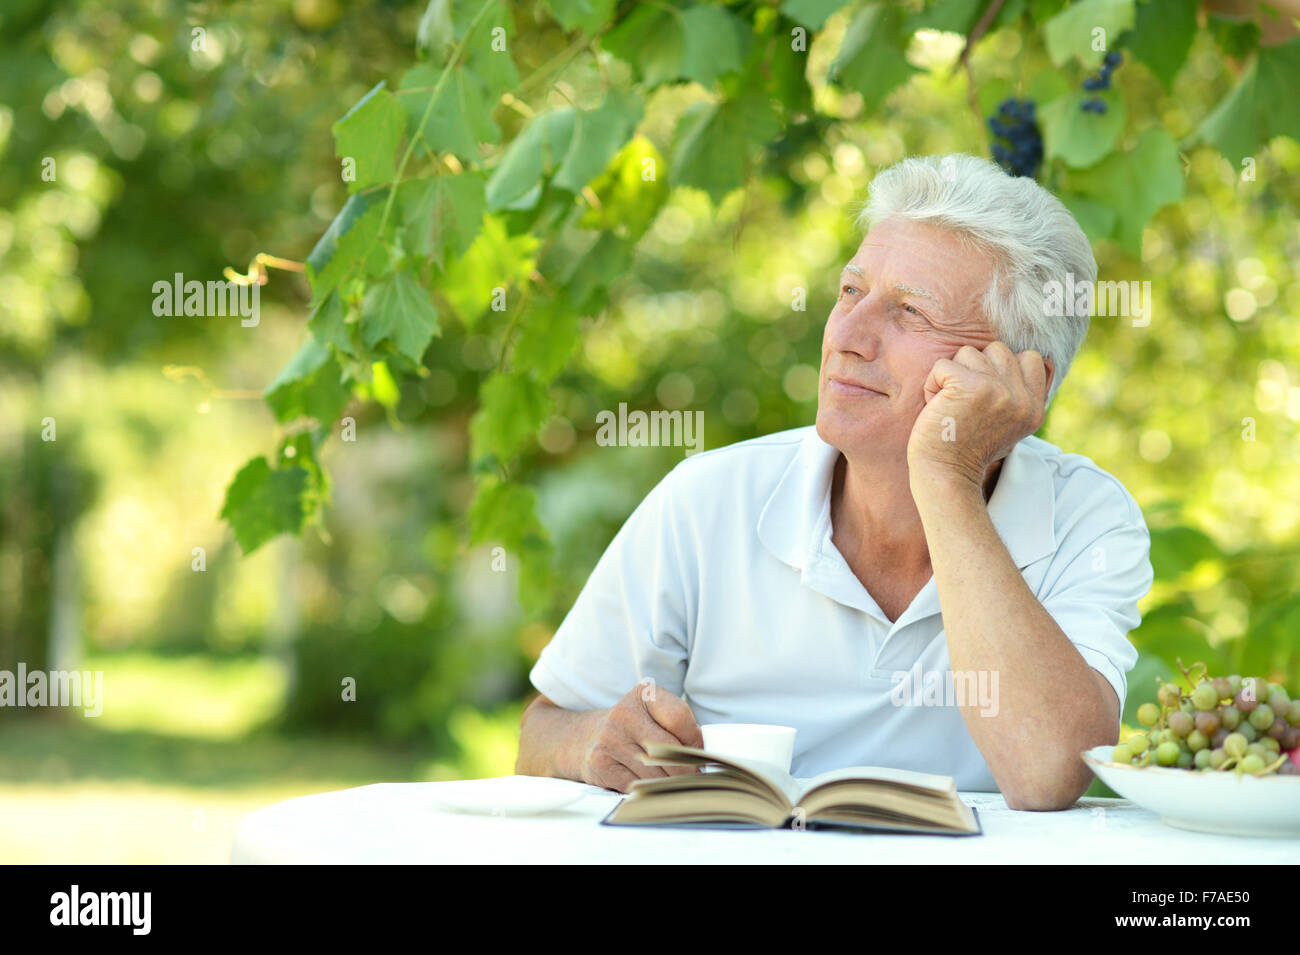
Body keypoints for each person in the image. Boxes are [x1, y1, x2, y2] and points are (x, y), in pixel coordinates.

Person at [515, 153, 1153, 811]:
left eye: (910, 312)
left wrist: (947, 475)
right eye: (851, 292)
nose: (846, 335)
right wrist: (591, 739)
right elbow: (541, 730)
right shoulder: (706, 499)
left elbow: (1048, 773)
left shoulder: (1084, 517)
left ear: (1022, 381)